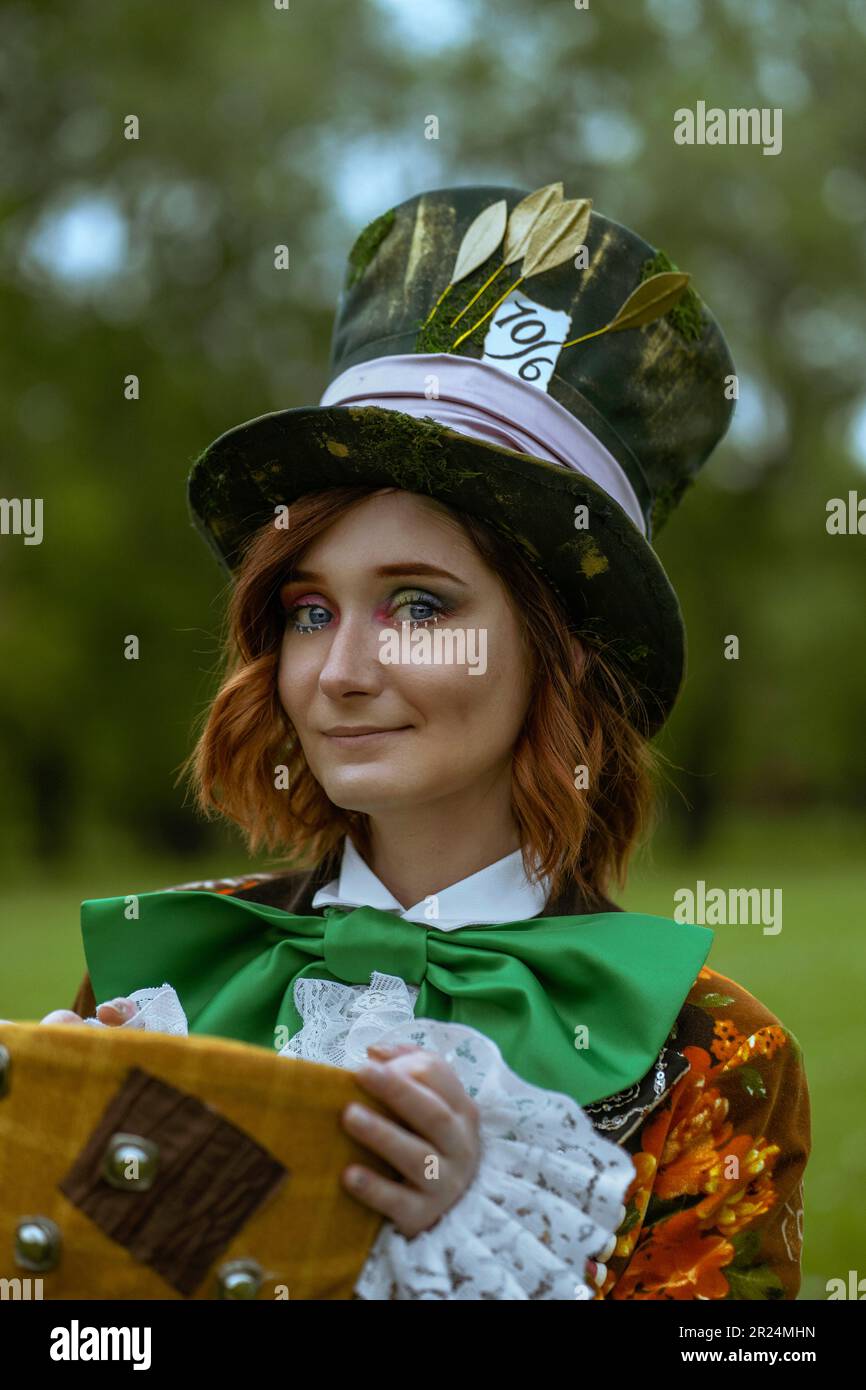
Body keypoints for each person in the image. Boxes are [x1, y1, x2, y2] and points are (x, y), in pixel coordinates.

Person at [46, 182, 811, 1300]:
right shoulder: (158, 986)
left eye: (419, 606)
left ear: (563, 651)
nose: (341, 669)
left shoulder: (714, 1058)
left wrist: (473, 1248)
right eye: (309, 610)